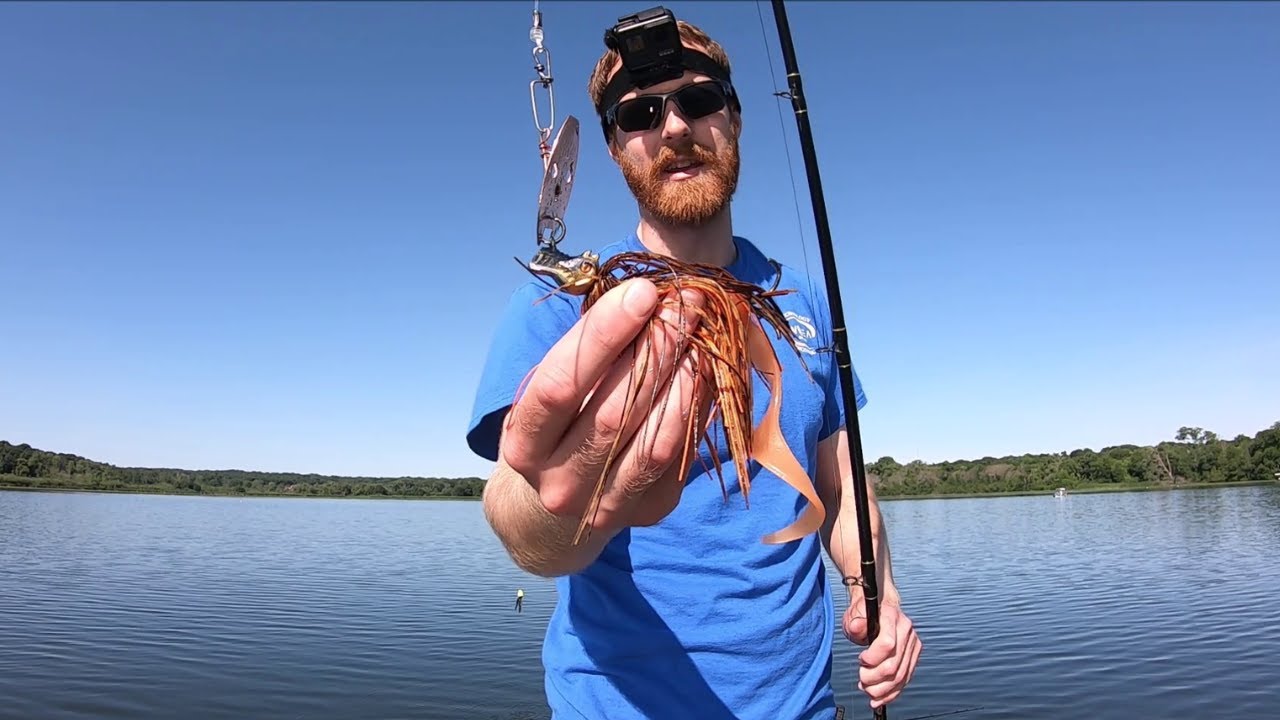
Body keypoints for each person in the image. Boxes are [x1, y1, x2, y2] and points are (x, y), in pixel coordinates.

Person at [466, 12, 921, 720]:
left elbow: (838, 480)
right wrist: (554, 513)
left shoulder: (802, 297)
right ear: (616, 148)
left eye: (698, 100)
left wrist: (878, 589)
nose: (674, 126)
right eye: (640, 113)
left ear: (735, 120)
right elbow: (518, 515)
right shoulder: (560, 303)